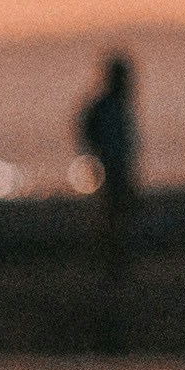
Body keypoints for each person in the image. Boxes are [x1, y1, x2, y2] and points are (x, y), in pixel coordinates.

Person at [76, 53, 140, 302]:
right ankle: (112, 269)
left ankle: (111, 268)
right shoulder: (110, 107)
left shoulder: (112, 106)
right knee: (114, 220)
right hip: (112, 169)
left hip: (112, 168)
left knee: (114, 220)